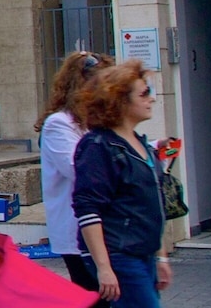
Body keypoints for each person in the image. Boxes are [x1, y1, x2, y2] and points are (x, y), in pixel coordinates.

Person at [70, 60, 173, 308]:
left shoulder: (139, 143)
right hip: (119, 253)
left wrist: (160, 257)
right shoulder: (99, 146)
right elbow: (88, 208)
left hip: (142, 251)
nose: (152, 99)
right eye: (144, 93)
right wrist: (104, 267)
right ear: (120, 101)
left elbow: (151, 205)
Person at [37, 51, 115, 300]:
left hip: (107, 225)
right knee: (91, 295)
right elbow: (76, 168)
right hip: (76, 228)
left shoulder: (96, 121)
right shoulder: (59, 124)